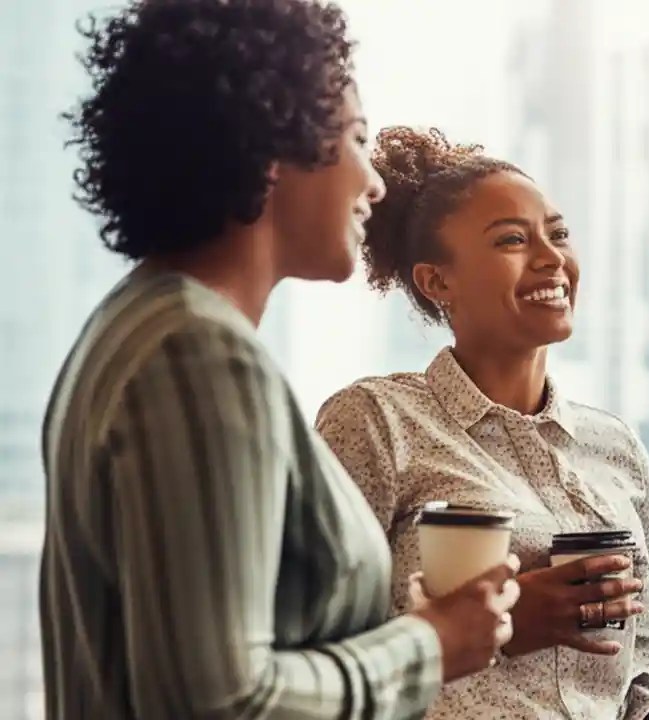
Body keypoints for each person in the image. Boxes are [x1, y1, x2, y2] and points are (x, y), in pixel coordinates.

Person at [40, 2, 520, 717]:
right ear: (271, 146)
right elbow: (224, 701)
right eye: (356, 138)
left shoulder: (131, 326)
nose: (374, 182)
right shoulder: (198, 355)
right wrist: (430, 646)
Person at [315, 126, 649, 719]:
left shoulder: (614, 448)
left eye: (559, 234)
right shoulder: (377, 421)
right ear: (438, 281)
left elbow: (640, 672)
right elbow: (312, 647)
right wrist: (498, 625)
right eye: (512, 240)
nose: (552, 258)